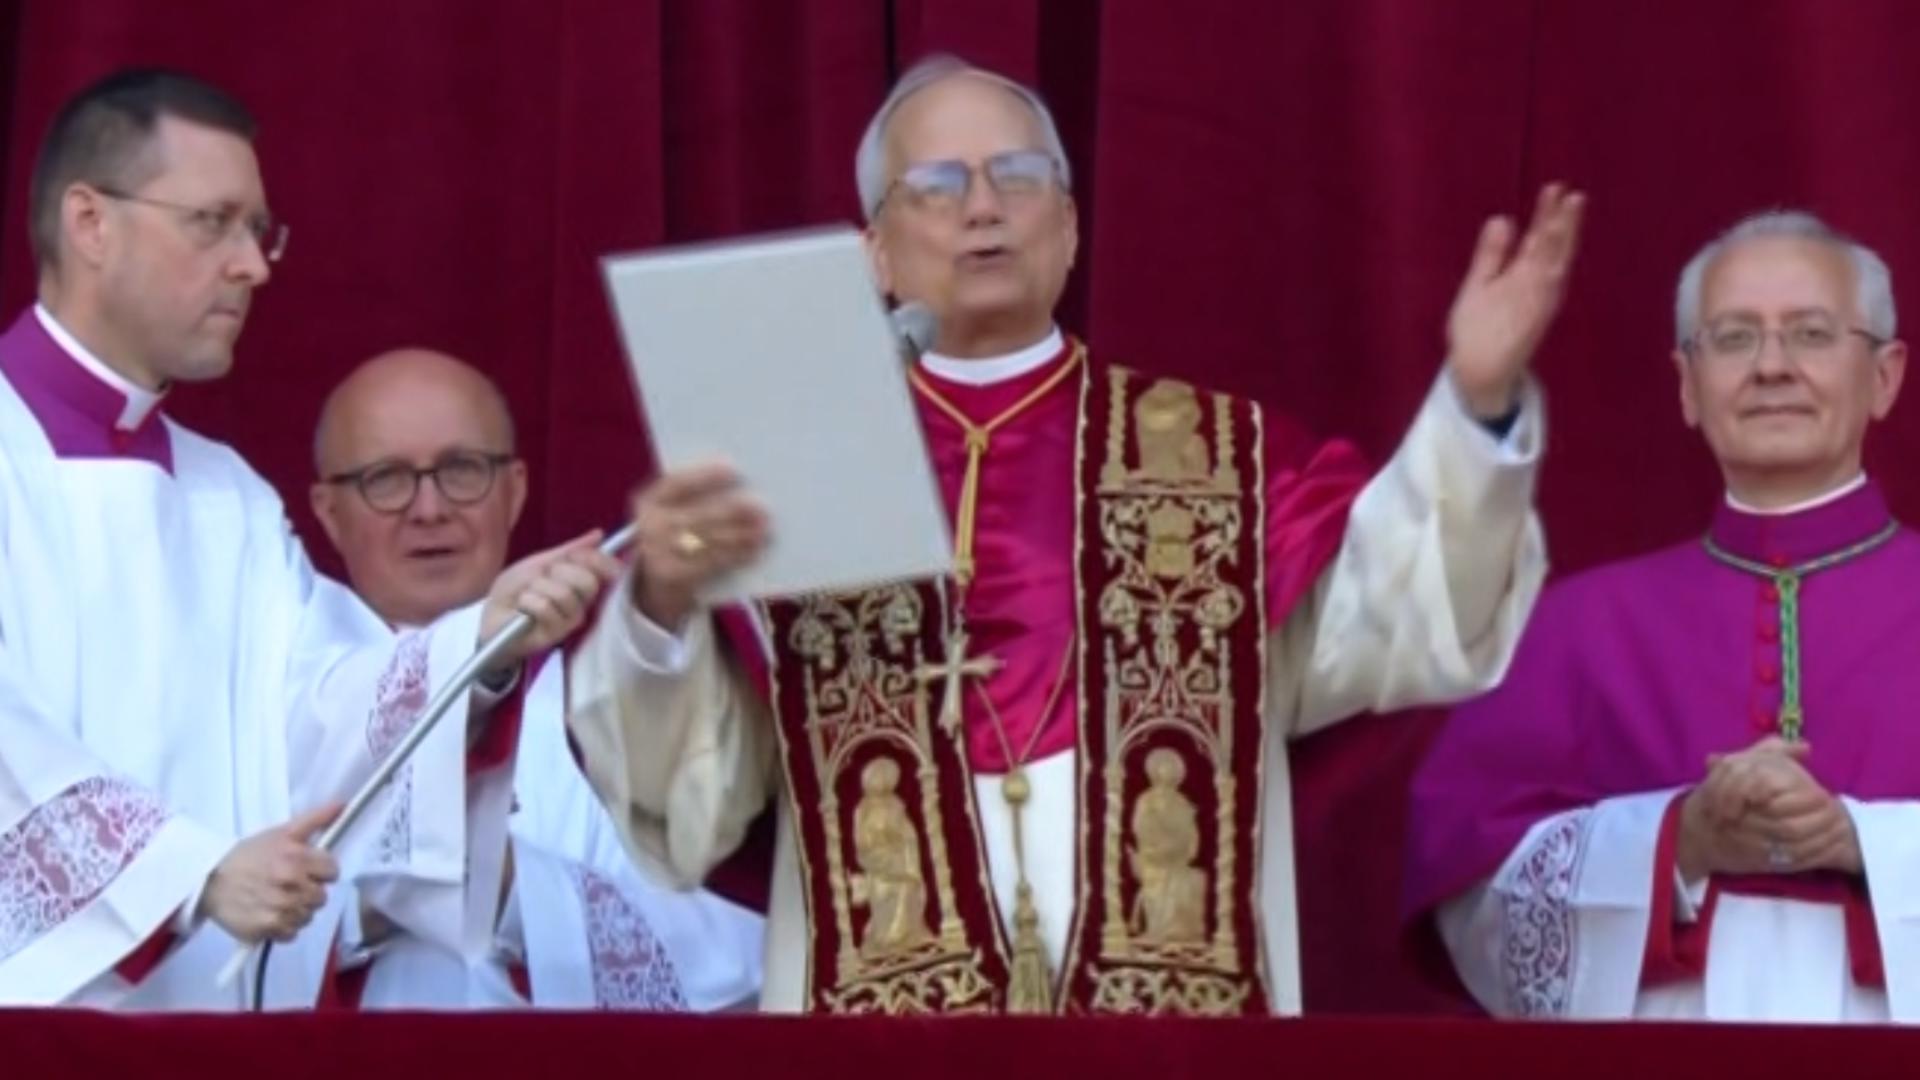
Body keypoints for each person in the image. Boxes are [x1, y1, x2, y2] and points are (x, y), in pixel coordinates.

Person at [570, 55, 1581, 1015]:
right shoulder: (784, 484)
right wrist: (660, 600)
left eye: (1017, 176)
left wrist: (1476, 406)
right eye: (938, 185)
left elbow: (1410, 612)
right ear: (873, 251)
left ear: (1068, 226)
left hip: (1170, 1042)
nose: (982, 206)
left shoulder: (1216, 461)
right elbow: (688, 802)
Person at [0, 69, 616, 1008]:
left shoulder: (228, 496)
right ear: (90, 223)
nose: (252, 265)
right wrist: (189, 874)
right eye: (212, 223)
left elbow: (314, 716)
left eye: (258, 230)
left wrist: (481, 642)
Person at [1404, 210, 1920, 1022]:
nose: (1772, 367)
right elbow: (1475, 894)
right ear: (1687, 385)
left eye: (1812, 334)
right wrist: (1679, 840)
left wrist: (1863, 842)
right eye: (1734, 338)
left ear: (1885, 377)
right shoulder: (1576, 628)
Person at [308, 348, 763, 1010]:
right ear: (328, 512)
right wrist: (368, 909)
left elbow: (734, 946)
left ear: (515, 490)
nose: (429, 508)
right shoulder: (279, 696)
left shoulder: (610, 703)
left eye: (462, 469)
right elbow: (204, 937)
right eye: (386, 478)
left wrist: (513, 894)